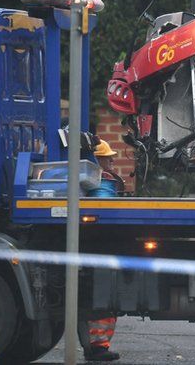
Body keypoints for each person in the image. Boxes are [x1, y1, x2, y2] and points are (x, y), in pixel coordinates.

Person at [84, 140, 123, 362]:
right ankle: (97, 346)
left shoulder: (98, 182)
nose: (111, 160)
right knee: (102, 291)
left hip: (98, 244)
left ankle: (98, 346)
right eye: (107, 157)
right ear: (95, 160)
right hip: (100, 244)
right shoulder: (100, 182)